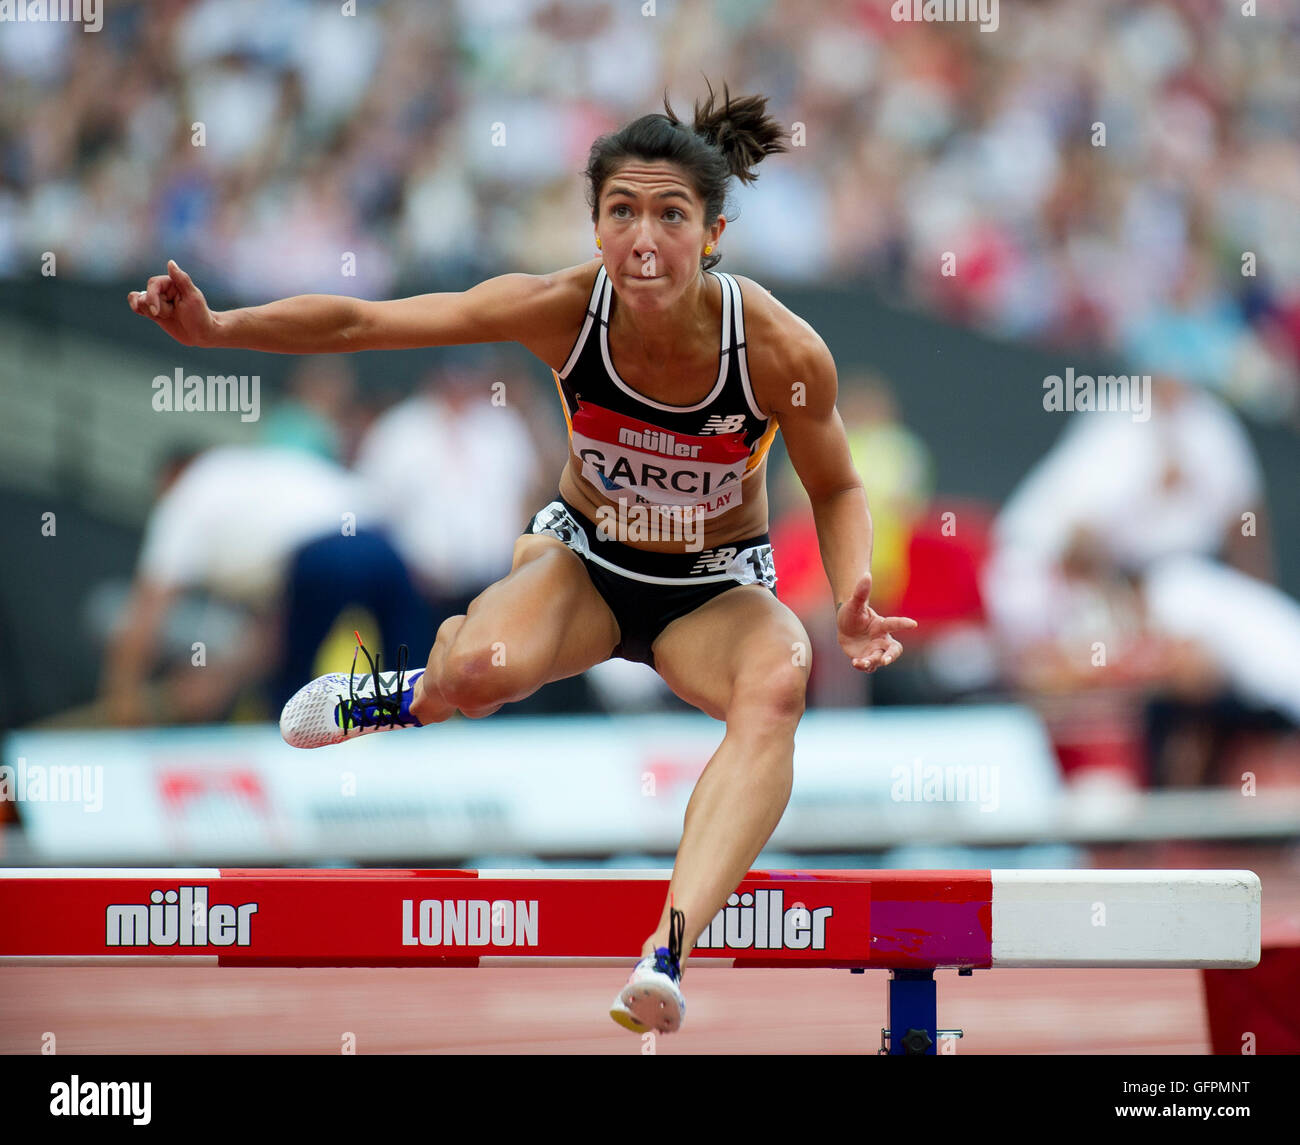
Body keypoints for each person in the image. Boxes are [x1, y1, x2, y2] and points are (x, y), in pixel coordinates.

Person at [126, 82, 917, 1036]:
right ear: (594, 227)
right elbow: (364, 325)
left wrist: (850, 592)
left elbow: (835, 485)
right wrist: (219, 330)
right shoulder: (560, 312)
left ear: (711, 235)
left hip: (713, 589)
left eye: (670, 215)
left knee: (779, 682)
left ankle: (667, 949)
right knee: (481, 672)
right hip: (585, 561)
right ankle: (402, 692)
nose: (644, 238)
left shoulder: (780, 348)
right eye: (621, 211)